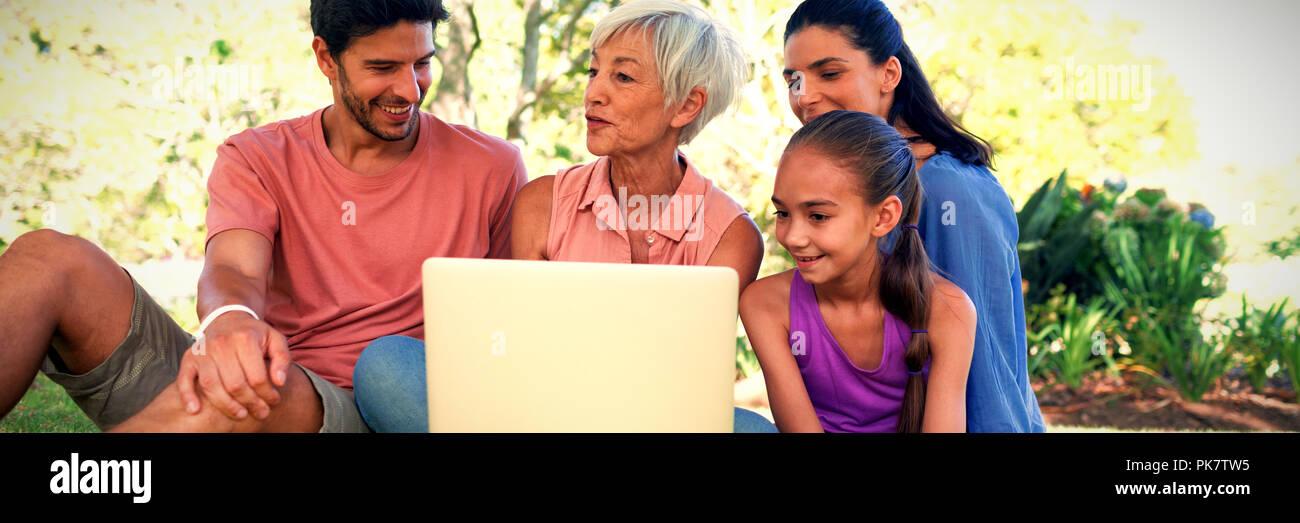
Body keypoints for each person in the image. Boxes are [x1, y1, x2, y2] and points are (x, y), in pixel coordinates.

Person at [0, 0, 526, 432]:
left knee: (245, 390)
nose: (409, 90)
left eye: (422, 63)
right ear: (326, 57)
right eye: (382, 68)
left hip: (363, 408)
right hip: (258, 372)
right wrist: (231, 319)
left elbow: (509, 320)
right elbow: (234, 269)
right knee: (46, 257)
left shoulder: (492, 167)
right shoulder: (258, 155)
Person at [353, 0, 773, 432]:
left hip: (650, 419)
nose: (593, 93)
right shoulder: (542, 204)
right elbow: (517, 352)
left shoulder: (730, 237)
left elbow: (683, 387)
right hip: (537, 410)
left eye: (623, 76)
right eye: (594, 72)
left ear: (686, 106)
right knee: (386, 364)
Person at [780, 0, 1045, 432]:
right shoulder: (842, 187)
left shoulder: (948, 189)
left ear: (889, 74)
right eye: (793, 78)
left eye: (829, 73)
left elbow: (984, 358)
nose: (803, 95)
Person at [740, 110, 975, 432]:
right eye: (782, 212)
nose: (792, 237)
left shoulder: (949, 309)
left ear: (882, 217)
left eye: (818, 216)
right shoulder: (765, 304)